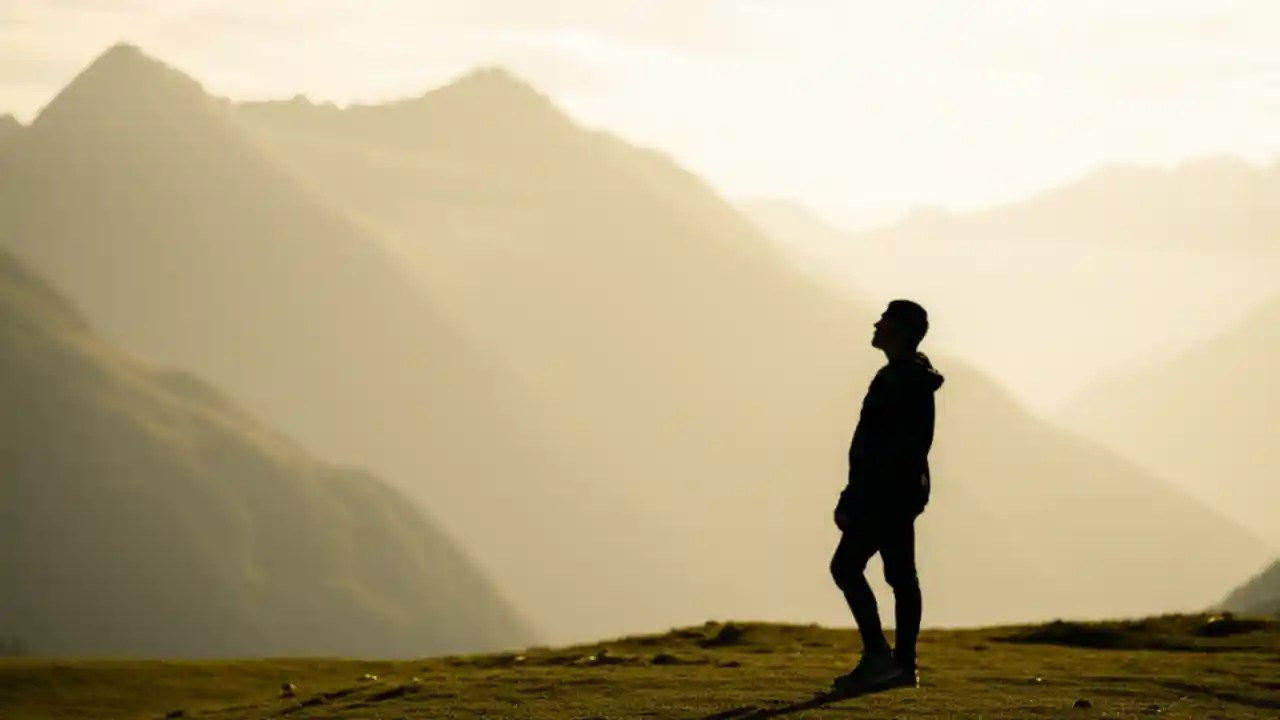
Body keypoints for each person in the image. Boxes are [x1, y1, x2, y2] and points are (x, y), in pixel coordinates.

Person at [830, 299, 944, 692]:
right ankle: (902, 666)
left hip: (882, 497)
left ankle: (880, 657)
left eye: (885, 320)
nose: (876, 324)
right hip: (899, 495)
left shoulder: (899, 381)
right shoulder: (911, 378)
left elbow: (883, 449)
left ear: (898, 331)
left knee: (845, 567)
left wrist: (855, 497)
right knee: (900, 576)